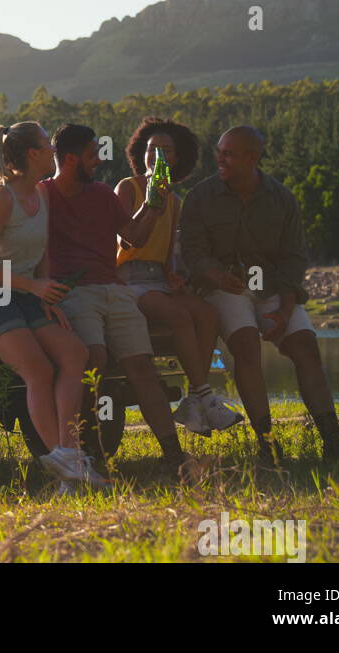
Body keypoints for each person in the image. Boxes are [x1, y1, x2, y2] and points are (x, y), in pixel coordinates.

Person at [180, 125, 339, 465]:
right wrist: (218, 276)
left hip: (272, 285)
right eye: (219, 151)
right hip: (223, 287)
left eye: (229, 154)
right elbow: (192, 254)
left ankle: (334, 443)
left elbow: (294, 259)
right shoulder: (199, 197)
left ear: (252, 158)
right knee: (246, 345)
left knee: (306, 347)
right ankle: (268, 446)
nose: (219, 158)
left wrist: (285, 309)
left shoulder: (282, 198)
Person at [0, 121, 106, 489]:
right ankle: (65, 458)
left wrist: (49, 292)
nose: (54, 151)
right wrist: (33, 286)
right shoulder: (1, 198)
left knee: (74, 354)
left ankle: (67, 456)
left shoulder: (43, 193)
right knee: (37, 370)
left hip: (27, 292)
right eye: (46, 144)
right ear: (33, 154)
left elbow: (41, 252)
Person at [42, 123, 194, 476]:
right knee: (93, 358)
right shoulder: (42, 195)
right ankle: (91, 455)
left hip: (113, 288)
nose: (99, 161)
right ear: (70, 159)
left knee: (142, 366)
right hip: (73, 291)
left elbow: (134, 237)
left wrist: (155, 201)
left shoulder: (102, 195)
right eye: (93, 154)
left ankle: (173, 454)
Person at [115, 117, 242, 435]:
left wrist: (175, 276)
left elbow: (169, 249)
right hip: (127, 276)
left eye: (165, 150)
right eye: (151, 148)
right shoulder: (127, 188)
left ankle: (192, 402)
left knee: (206, 313)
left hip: (157, 276)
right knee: (179, 317)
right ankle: (204, 396)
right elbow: (123, 240)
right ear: (141, 153)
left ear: (176, 158)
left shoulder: (174, 200)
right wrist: (148, 205)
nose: (156, 155)